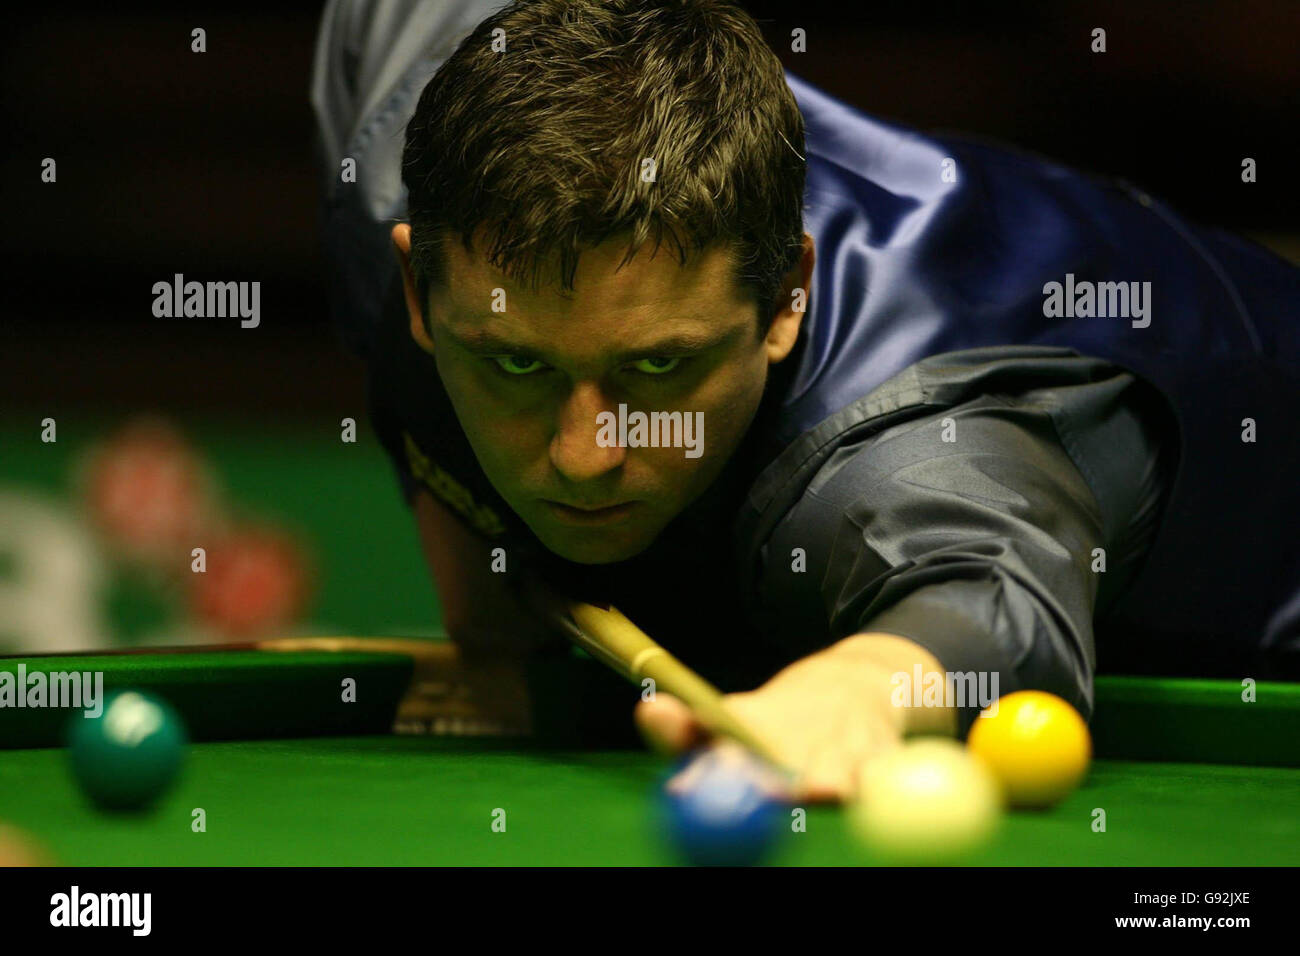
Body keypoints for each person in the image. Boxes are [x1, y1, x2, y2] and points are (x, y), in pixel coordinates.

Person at [311, 0, 1300, 799]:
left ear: (785, 296)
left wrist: (860, 686)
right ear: (418, 289)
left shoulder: (904, 440)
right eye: (517, 367)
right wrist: (490, 634)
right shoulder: (397, 164)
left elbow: (988, 585)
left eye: (657, 370)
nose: (582, 452)